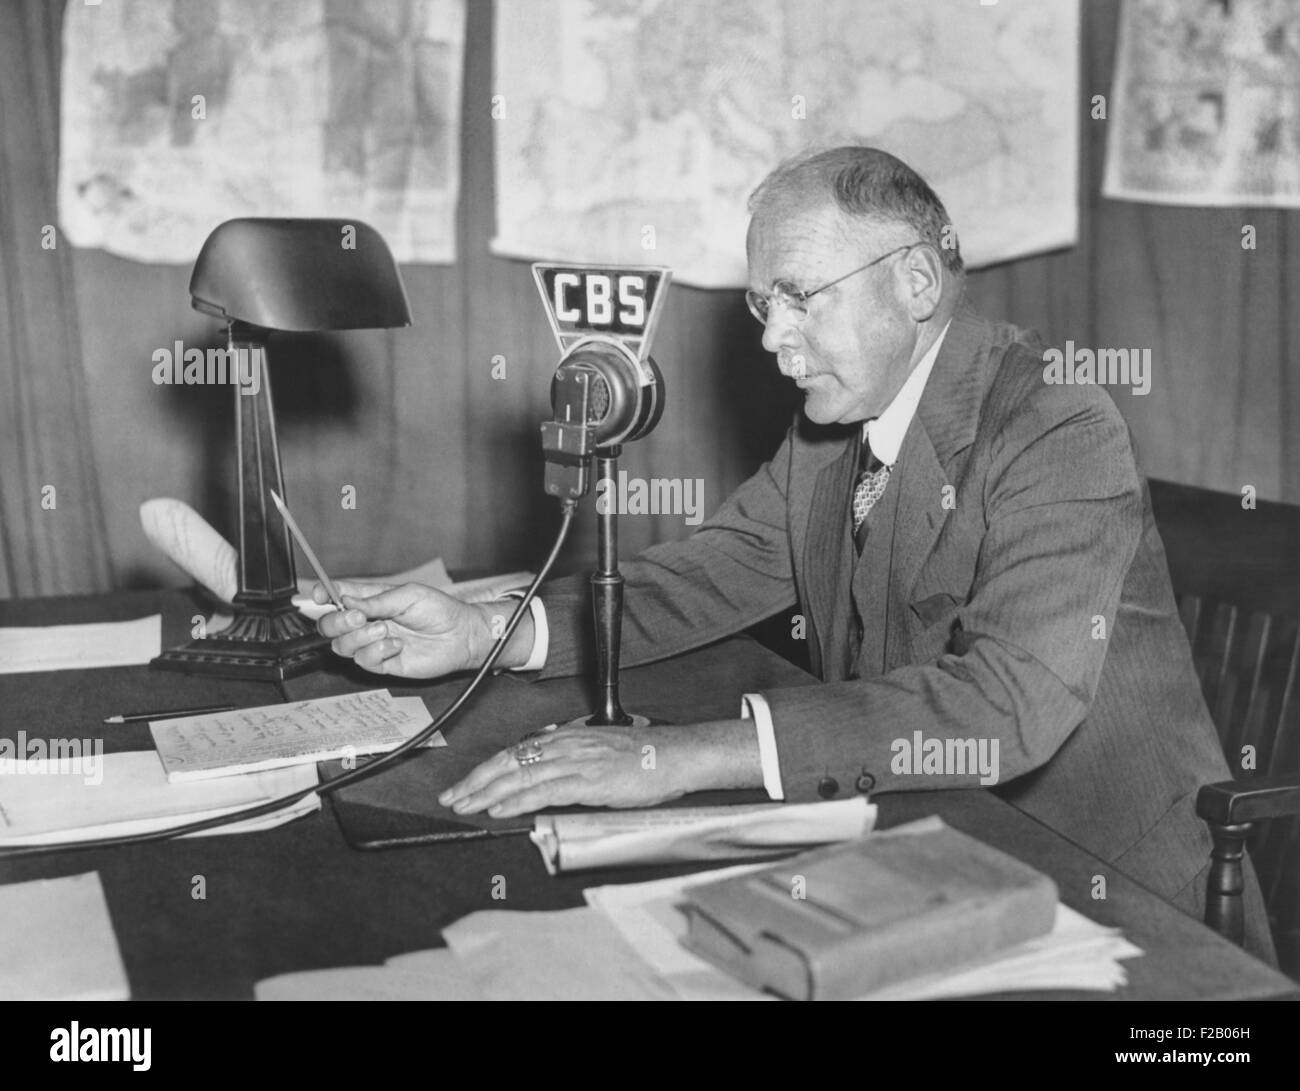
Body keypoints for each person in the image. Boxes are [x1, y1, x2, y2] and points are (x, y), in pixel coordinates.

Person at [317, 146, 1272, 960]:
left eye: (801, 298)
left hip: (1105, 896)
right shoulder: (834, 427)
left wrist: (670, 761)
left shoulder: (1056, 421)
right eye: (761, 304)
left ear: (917, 281)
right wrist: (487, 628)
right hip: (925, 844)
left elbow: (1006, 706)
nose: (775, 337)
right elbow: (708, 573)